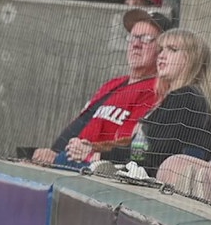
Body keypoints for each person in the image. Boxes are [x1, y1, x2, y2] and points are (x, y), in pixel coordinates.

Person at [31, 10, 172, 166]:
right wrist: (55, 152)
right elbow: (81, 122)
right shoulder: (113, 83)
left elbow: (131, 144)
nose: (136, 44)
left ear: (161, 49)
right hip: (70, 159)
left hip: (100, 168)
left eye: (146, 39)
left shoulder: (157, 88)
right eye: (133, 37)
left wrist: (86, 152)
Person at [70, 28, 211, 179]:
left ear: (192, 59)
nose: (162, 56)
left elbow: (150, 153)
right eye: (161, 50)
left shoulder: (186, 96)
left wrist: (98, 155)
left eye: (172, 50)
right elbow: (143, 149)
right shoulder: (174, 97)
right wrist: (95, 150)